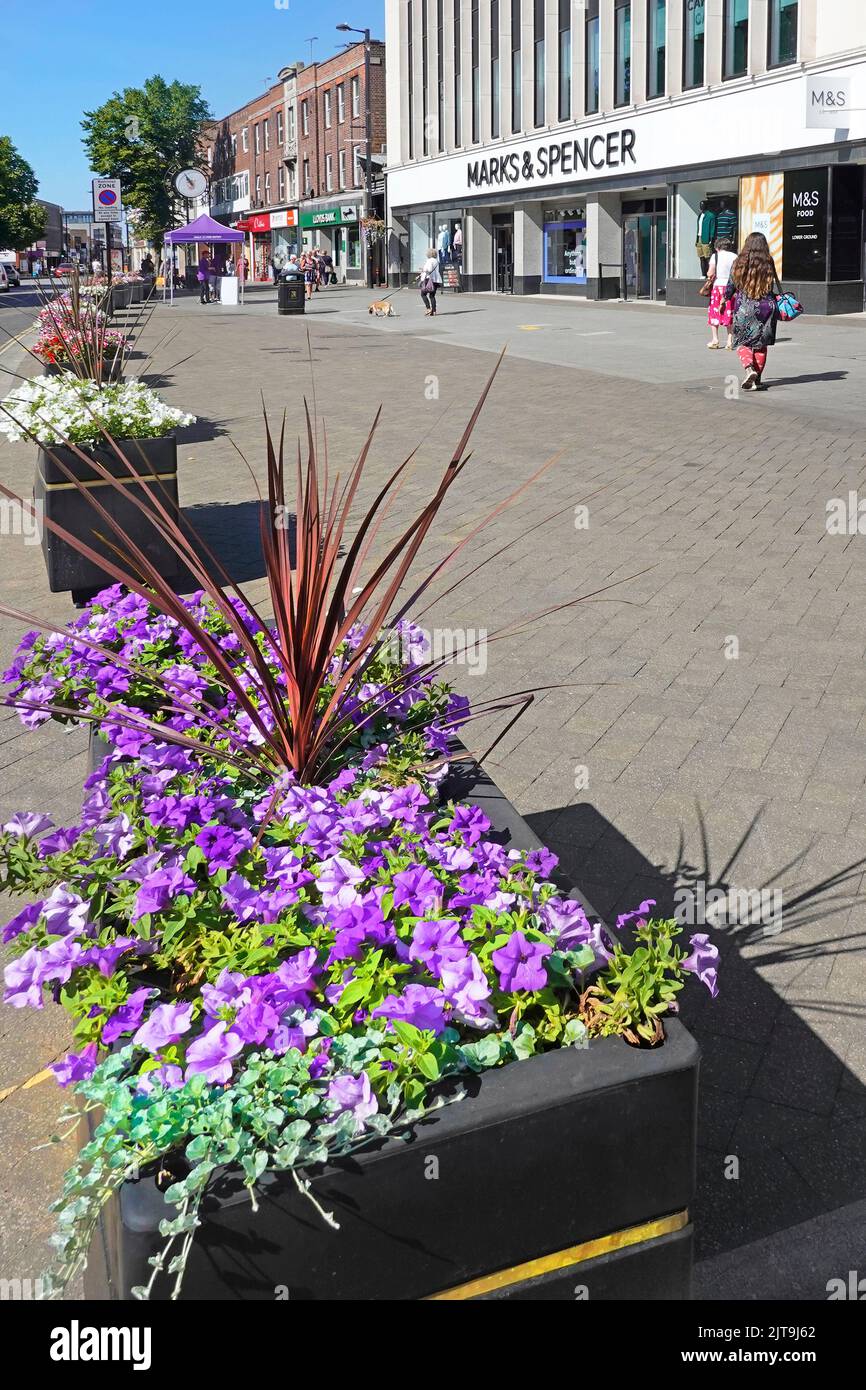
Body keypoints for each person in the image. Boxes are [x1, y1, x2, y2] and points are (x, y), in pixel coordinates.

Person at [722, 232, 782, 392]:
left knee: (743, 341)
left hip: (744, 307)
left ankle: (750, 370)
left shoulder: (739, 262)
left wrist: (725, 298)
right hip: (766, 308)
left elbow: (730, 286)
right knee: (761, 345)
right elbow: (771, 285)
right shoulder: (768, 261)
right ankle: (758, 379)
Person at [705, 236, 737, 351]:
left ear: (717, 247)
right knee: (729, 312)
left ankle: (715, 340)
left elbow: (710, 273)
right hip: (731, 287)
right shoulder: (734, 256)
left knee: (715, 311)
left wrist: (710, 274)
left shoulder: (715, 256)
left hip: (718, 287)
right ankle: (730, 341)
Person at [419, 247, 442, 316]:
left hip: (429, 279)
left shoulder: (429, 260)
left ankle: (428, 308)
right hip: (436, 280)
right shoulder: (436, 261)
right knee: (432, 296)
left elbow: (428, 269)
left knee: (423, 294)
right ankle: (434, 311)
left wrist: (423, 269)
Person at [695, 201, 716, 277]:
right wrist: (697, 239)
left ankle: (710, 274)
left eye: (702, 205)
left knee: (708, 257)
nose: (701, 206)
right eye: (700, 205)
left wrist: (711, 238)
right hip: (699, 238)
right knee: (701, 257)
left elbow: (712, 228)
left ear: (706, 206)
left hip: (706, 238)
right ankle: (703, 274)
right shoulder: (700, 215)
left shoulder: (711, 216)